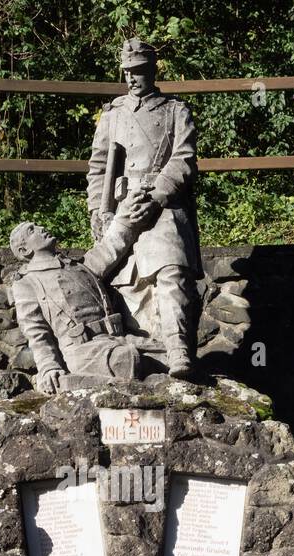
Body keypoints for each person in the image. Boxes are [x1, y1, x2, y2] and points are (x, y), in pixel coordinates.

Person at [86, 38, 200, 377]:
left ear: (152, 70)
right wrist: (98, 210)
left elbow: (184, 159)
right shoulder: (113, 114)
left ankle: (178, 349)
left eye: (138, 71)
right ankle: (139, 351)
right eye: (127, 73)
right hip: (122, 206)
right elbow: (98, 165)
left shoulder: (175, 111)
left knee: (171, 270)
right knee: (127, 282)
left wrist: (157, 197)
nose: (132, 79)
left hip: (162, 204)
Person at [9, 191, 175, 394]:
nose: (42, 228)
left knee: (171, 357)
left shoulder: (81, 266)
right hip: (82, 352)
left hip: (117, 339)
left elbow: (112, 246)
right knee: (126, 359)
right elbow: (36, 333)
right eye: (32, 230)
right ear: (24, 250)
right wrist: (49, 367)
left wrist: (127, 210)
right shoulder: (28, 283)